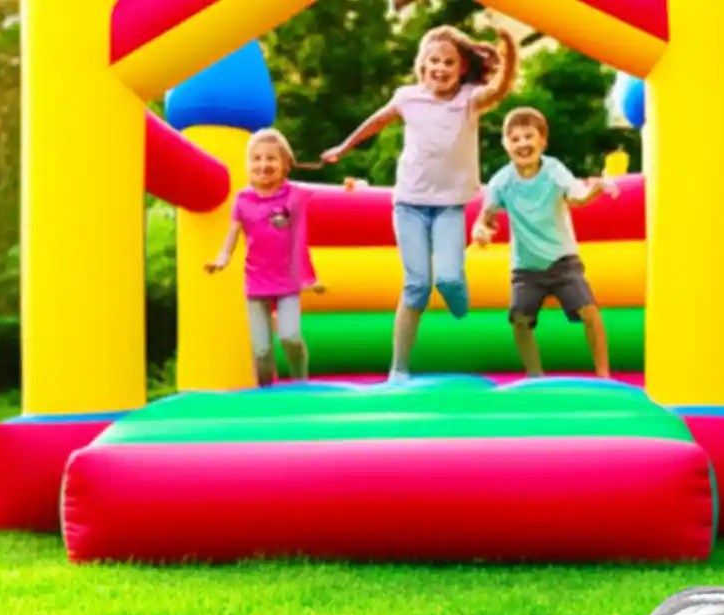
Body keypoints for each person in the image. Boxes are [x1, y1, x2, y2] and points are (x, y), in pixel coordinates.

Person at [321, 25, 517, 384]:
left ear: (462, 68)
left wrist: (509, 50)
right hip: (409, 203)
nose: (440, 68)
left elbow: (500, 88)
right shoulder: (407, 97)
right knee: (417, 286)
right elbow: (377, 122)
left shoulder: (469, 99)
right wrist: (344, 147)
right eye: (434, 61)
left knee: (449, 279)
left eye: (449, 62)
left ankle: (457, 294)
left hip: (449, 206)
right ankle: (398, 368)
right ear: (422, 65)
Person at [471, 107, 619, 378]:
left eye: (529, 136)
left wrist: (596, 190)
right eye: (515, 139)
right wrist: (480, 231)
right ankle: (534, 375)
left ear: (543, 141)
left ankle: (603, 373)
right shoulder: (502, 182)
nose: (523, 144)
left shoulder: (554, 171)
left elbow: (577, 198)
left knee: (589, 312)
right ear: (505, 145)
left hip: (563, 260)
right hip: (526, 267)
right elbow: (485, 218)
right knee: (519, 320)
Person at [206, 128, 324, 386]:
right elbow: (232, 235)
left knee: (290, 337)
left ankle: (301, 382)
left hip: (288, 280)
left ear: (285, 164)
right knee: (261, 351)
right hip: (257, 280)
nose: (263, 165)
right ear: (248, 164)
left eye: (271, 158)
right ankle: (264, 392)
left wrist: (353, 188)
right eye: (256, 158)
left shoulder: (294, 195)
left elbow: (304, 233)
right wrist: (222, 258)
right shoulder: (242, 199)